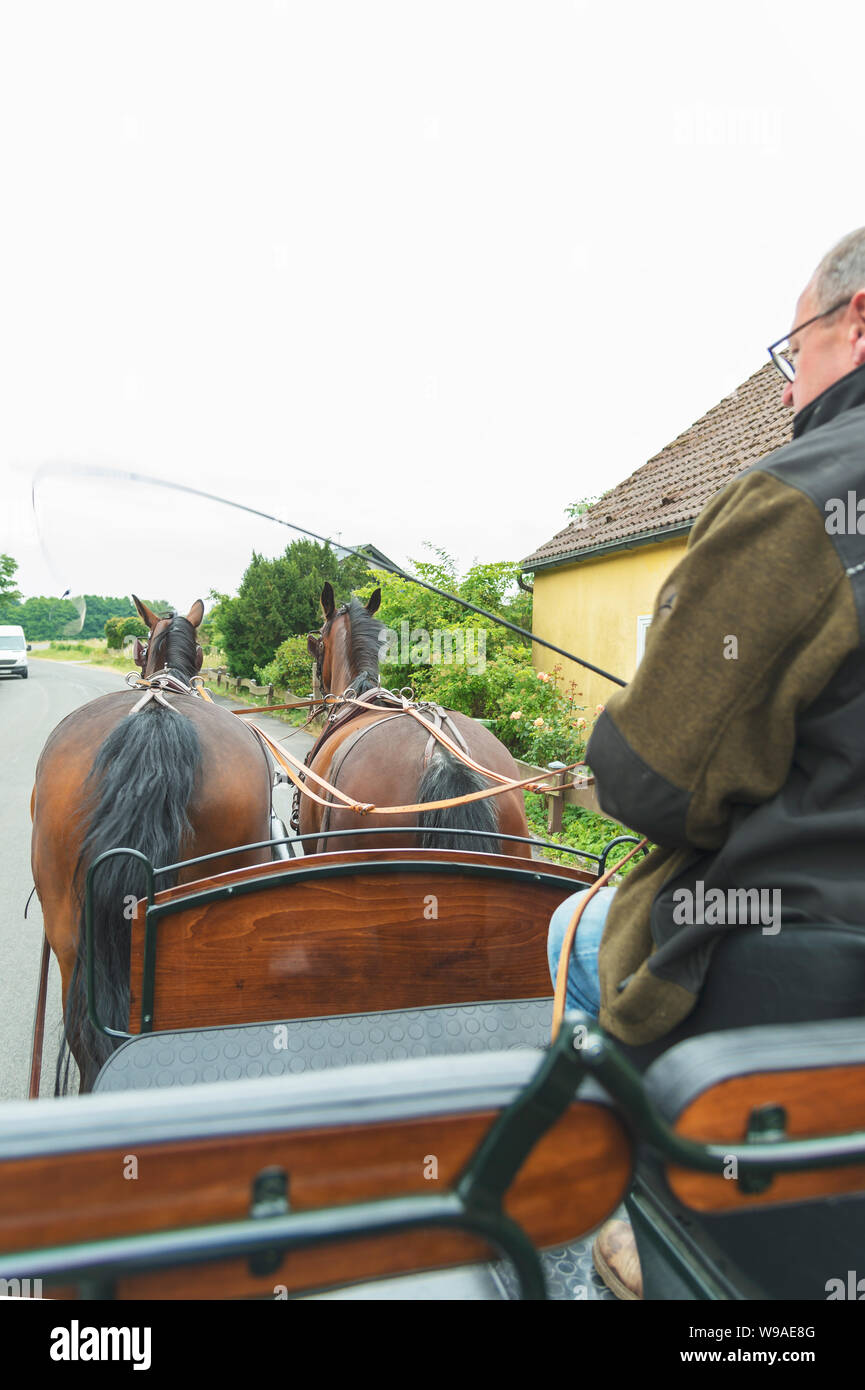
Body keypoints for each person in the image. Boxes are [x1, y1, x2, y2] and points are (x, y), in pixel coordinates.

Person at [548, 226, 865, 1299]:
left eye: (793, 354)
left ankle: (636, 1220)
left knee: (568, 931)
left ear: (855, 319)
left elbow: (652, 786)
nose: (785, 395)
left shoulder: (803, 496)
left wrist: (614, 732)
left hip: (805, 952)